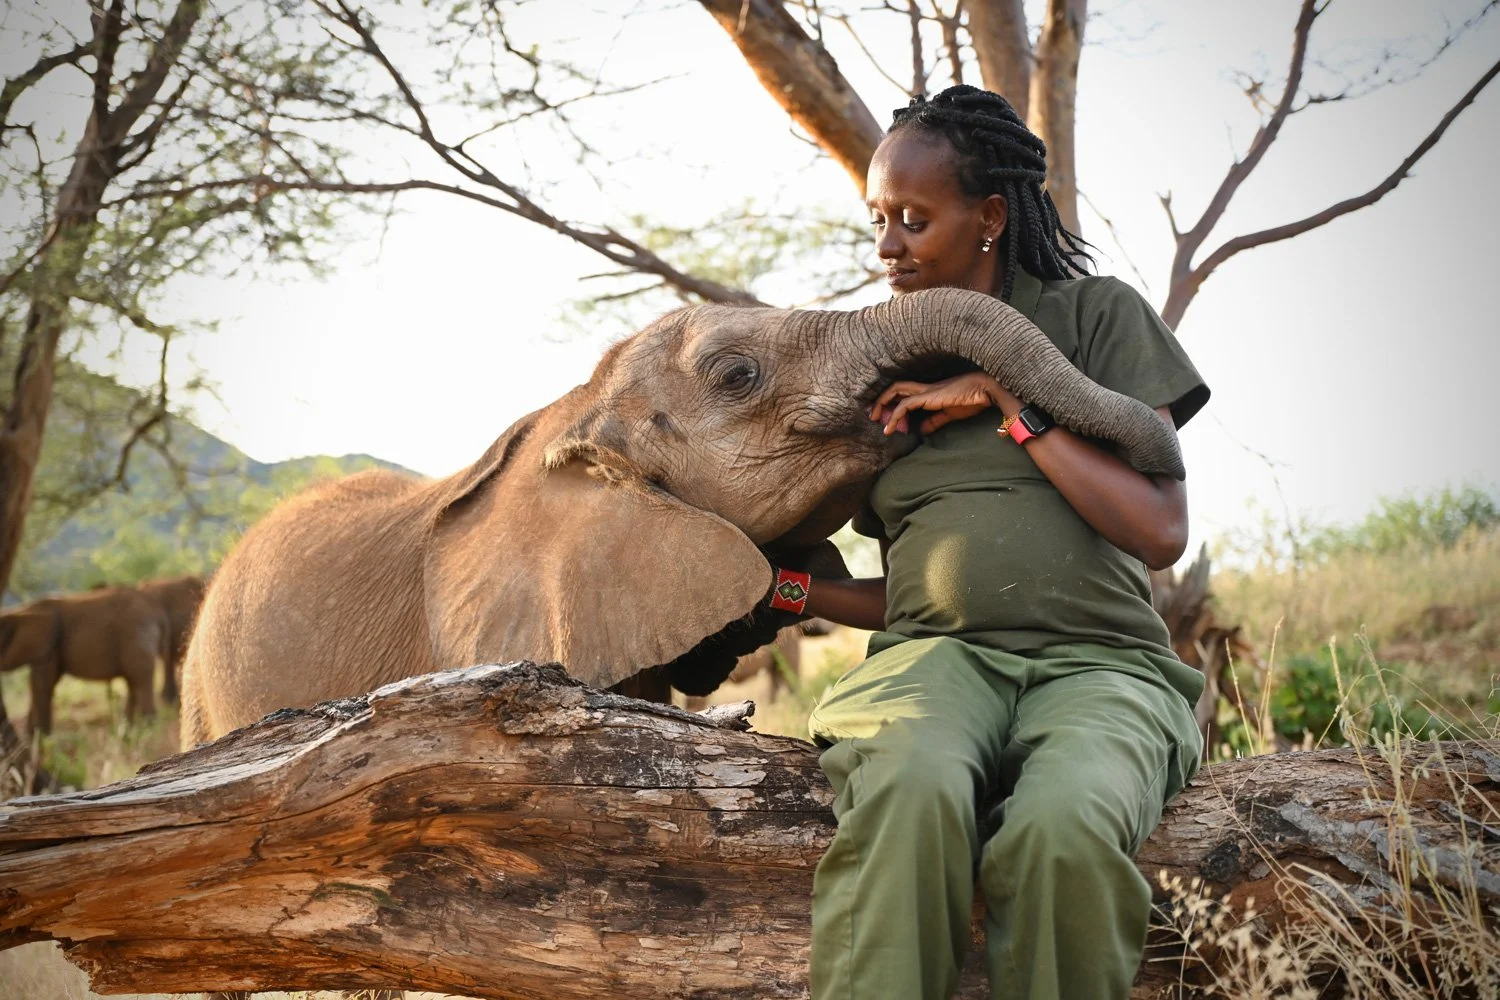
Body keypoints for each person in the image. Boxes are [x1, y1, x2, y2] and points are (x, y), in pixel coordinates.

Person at [792, 85, 1211, 1000]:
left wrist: (1010, 399)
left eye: (913, 218)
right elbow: (910, 593)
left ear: (988, 217)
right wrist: (791, 592)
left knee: (1061, 828)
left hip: (1103, 670)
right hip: (934, 664)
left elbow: (1159, 531)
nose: (887, 245)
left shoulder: (1095, 317)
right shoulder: (885, 369)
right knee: (909, 788)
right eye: (878, 218)